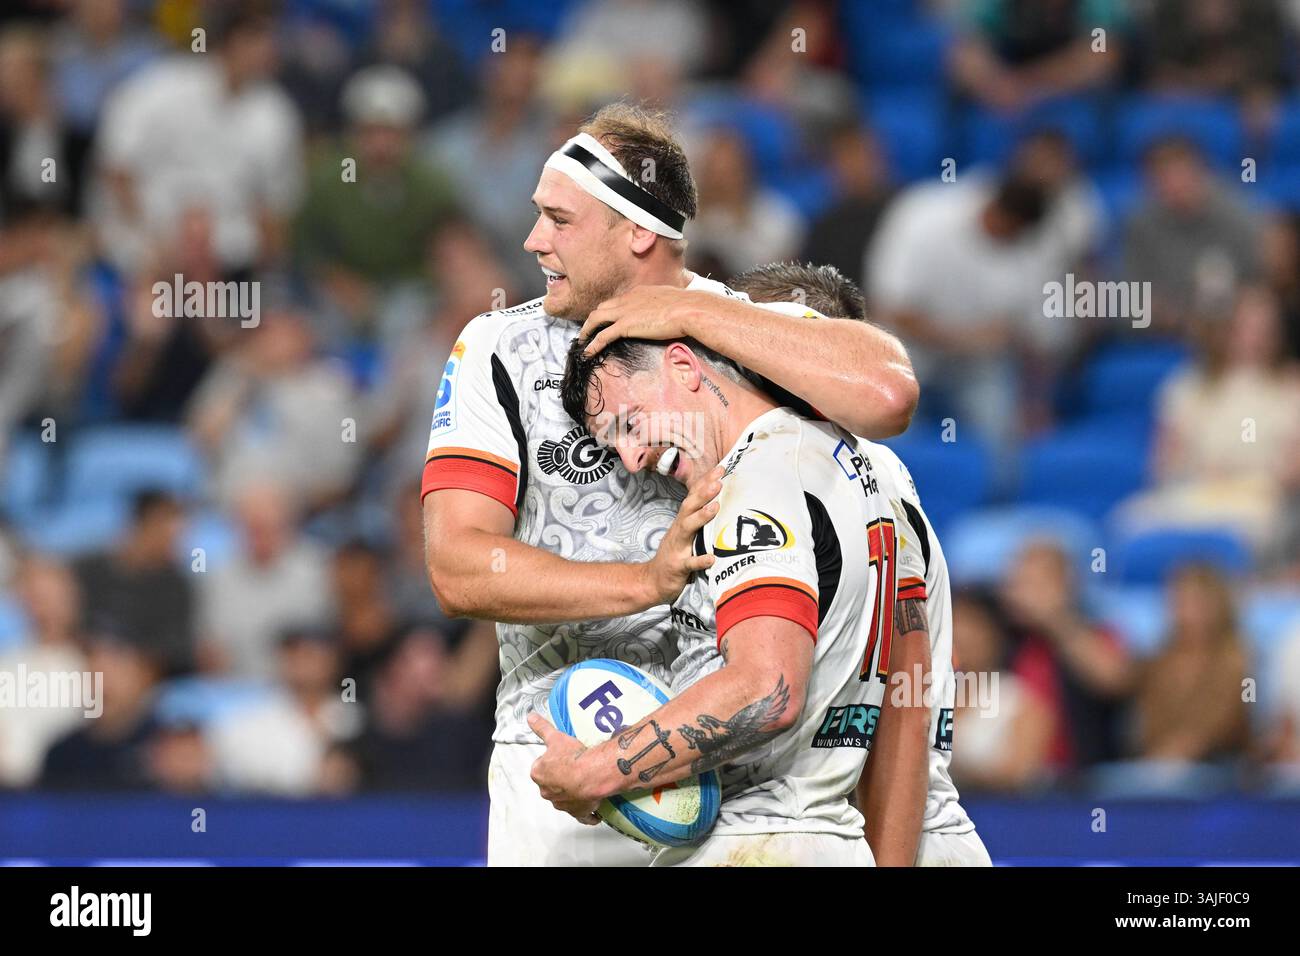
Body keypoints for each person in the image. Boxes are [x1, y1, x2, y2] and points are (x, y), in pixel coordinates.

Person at [422, 102, 918, 866]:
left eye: (558, 219)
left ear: (638, 232)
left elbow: (888, 394)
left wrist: (693, 308)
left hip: (733, 780)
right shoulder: (498, 348)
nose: (533, 241)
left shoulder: (738, 328)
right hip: (559, 766)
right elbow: (458, 567)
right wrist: (643, 582)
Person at [528, 324, 924, 866]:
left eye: (629, 423)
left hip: (760, 840)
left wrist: (590, 772)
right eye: (611, 445)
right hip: (829, 834)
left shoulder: (749, 478)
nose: (631, 458)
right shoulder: (856, 463)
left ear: (685, 367)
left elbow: (767, 689)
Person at [728, 262, 987, 866]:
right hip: (882, 830)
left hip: (883, 836)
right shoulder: (818, 465)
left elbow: (904, 703)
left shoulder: (841, 474)